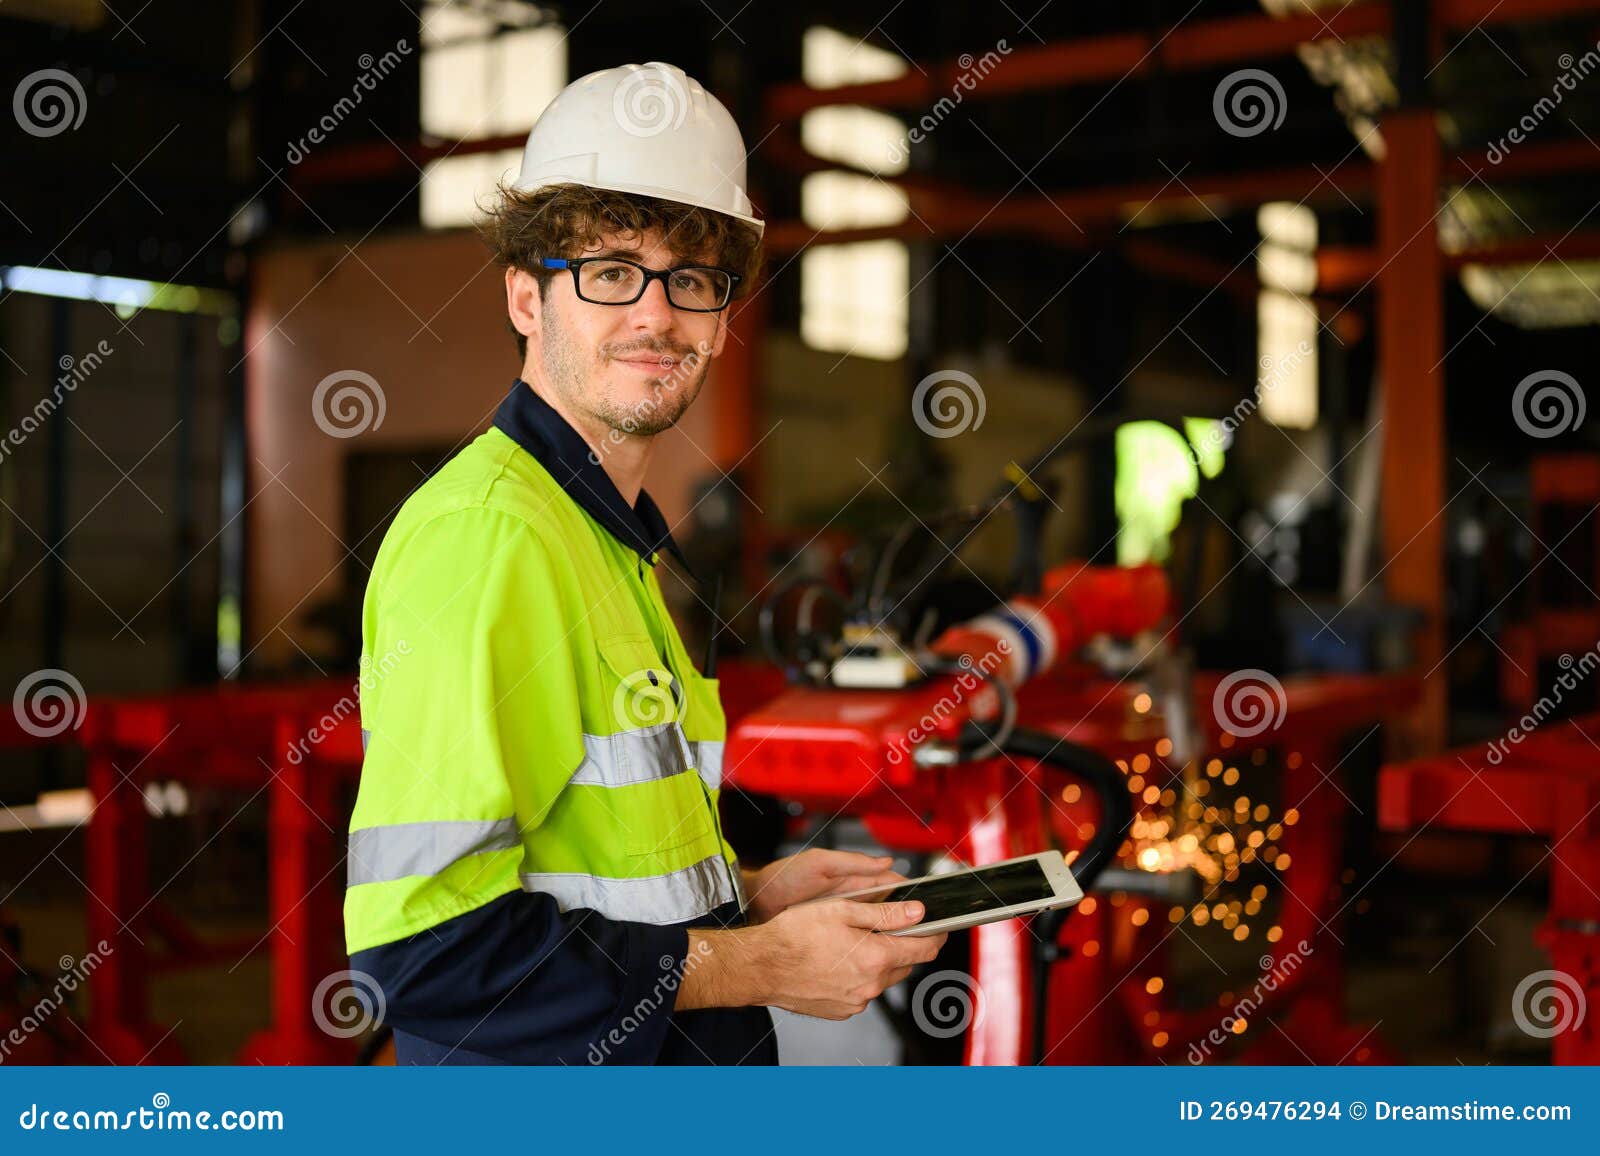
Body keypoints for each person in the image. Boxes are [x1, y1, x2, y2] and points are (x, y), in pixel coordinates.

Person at [342, 61, 945, 1065]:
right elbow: (427, 955)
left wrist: (748, 895)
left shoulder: (600, 534)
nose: (656, 315)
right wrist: (762, 965)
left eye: (692, 280)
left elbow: (594, 866)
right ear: (526, 299)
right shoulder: (493, 536)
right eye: (611, 270)